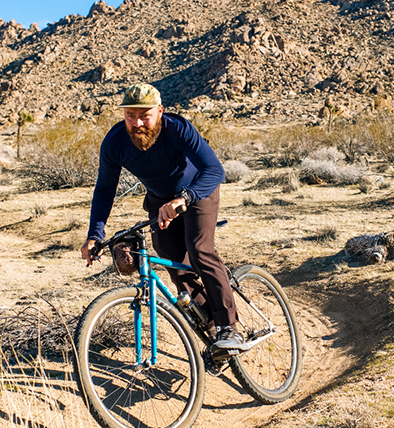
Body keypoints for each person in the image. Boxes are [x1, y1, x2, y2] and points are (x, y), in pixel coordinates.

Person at [78, 84, 259, 350]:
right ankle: (212, 334)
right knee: (173, 262)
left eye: (145, 115)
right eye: (130, 115)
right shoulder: (115, 142)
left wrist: (184, 198)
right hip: (159, 200)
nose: (137, 122)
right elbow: (105, 190)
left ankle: (228, 327)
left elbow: (214, 170)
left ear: (160, 111)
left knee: (199, 250)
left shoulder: (177, 129)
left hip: (198, 191)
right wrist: (95, 235)